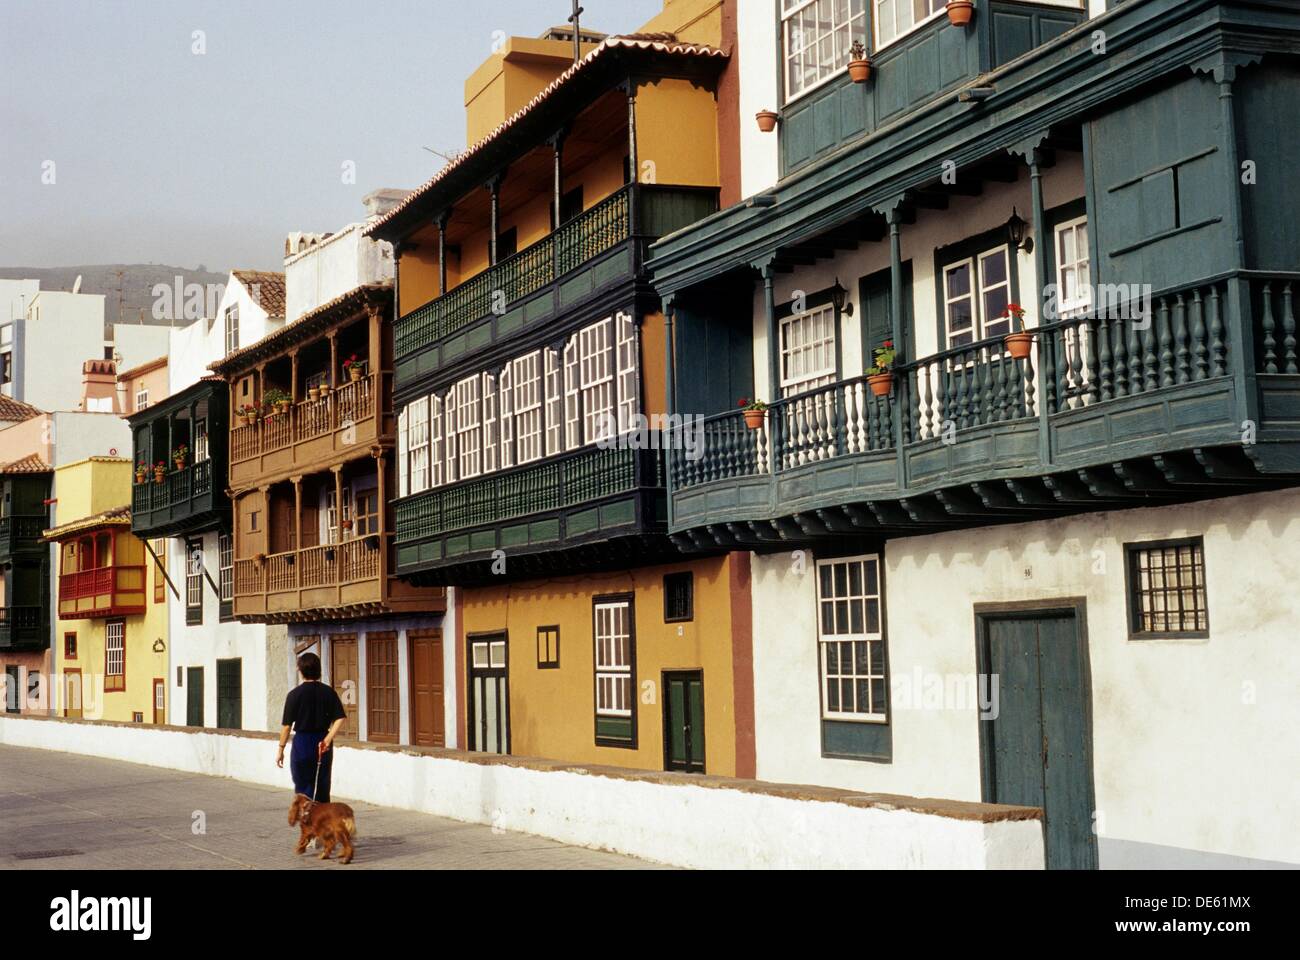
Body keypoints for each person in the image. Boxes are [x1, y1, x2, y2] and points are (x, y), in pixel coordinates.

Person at [276, 652, 347, 802]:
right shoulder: (329, 692)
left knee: (303, 787)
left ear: (301, 671)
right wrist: (327, 740)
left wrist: (280, 750)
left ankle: (307, 820)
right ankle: (321, 820)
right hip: (323, 741)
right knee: (322, 784)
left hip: (302, 742)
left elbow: (287, 727)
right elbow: (340, 718)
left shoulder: (294, 695)